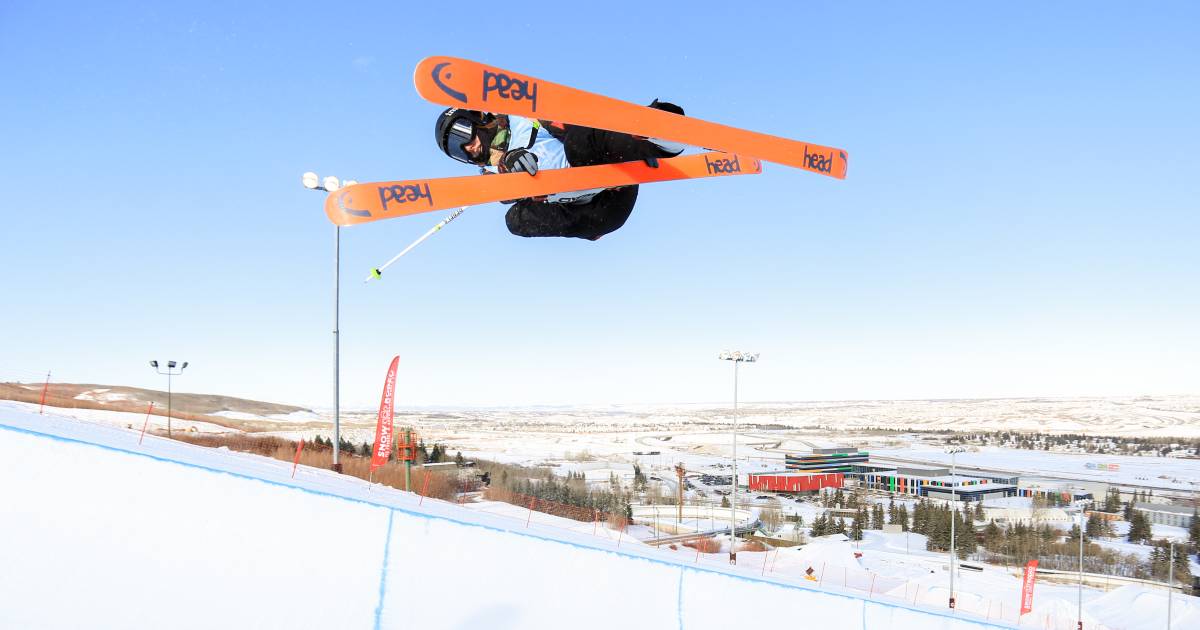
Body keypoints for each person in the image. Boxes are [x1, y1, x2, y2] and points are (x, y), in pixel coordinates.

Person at [433, 101, 686, 241]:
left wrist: (628, 142)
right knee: (515, 220)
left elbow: (584, 126)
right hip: (601, 212)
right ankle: (647, 143)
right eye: (457, 149)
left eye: (461, 133)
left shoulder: (524, 118)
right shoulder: (495, 178)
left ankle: (659, 140)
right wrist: (513, 174)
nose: (467, 146)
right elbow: (505, 194)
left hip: (613, 176)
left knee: (577, 141)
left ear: (476, 118)